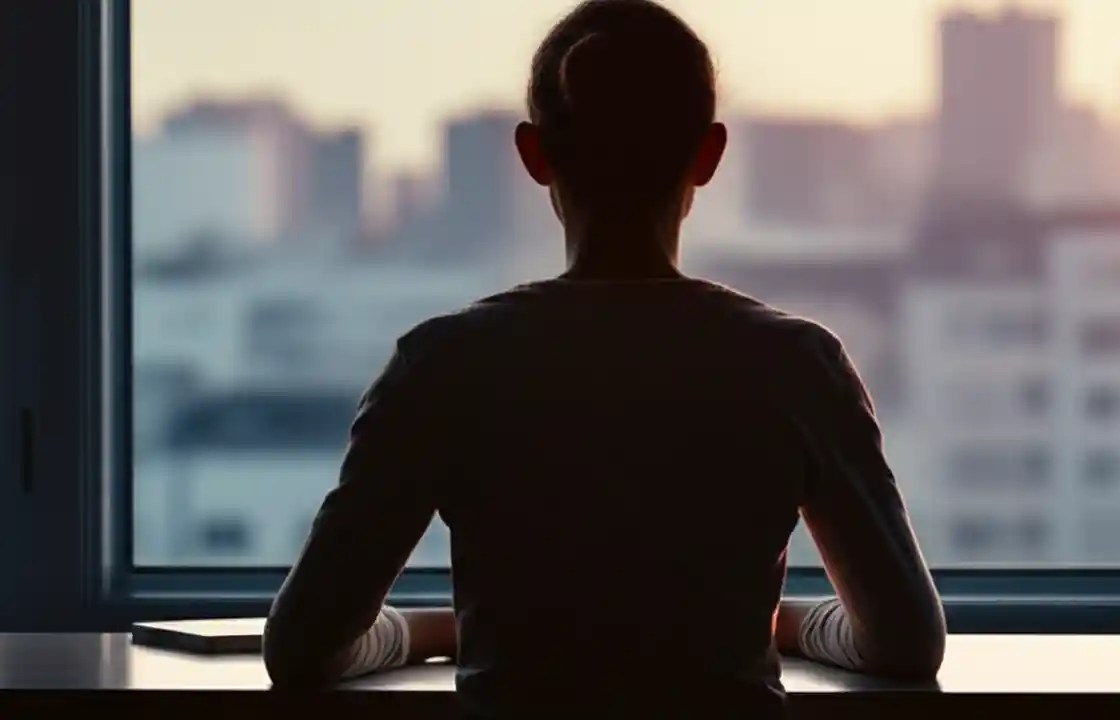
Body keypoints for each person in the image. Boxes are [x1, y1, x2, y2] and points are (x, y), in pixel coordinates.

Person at [263, 0, 946, 716]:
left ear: (533, 154)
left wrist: (424, 634)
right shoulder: (796, 366)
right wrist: (791, 625)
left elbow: (303, 647)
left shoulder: (443, 365)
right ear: (708, 155)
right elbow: (905, 642)